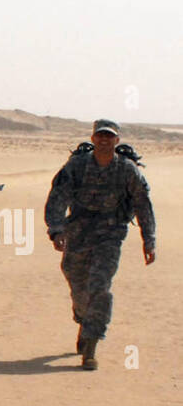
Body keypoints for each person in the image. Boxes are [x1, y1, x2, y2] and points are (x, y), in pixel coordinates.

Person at [43, 119, 156, 370]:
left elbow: (142, 204)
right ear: (93, 139)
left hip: (110, 234)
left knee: (100, 285)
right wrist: (57, 230)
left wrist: (149, 240)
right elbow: (57, 198)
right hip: (78, 232)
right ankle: (84, 319)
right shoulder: (77, 166)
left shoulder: (127, 170)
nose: (104, 141)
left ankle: (91, 345)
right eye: (100, 136)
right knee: (76, 282)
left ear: (117, 141)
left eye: (110, 137)